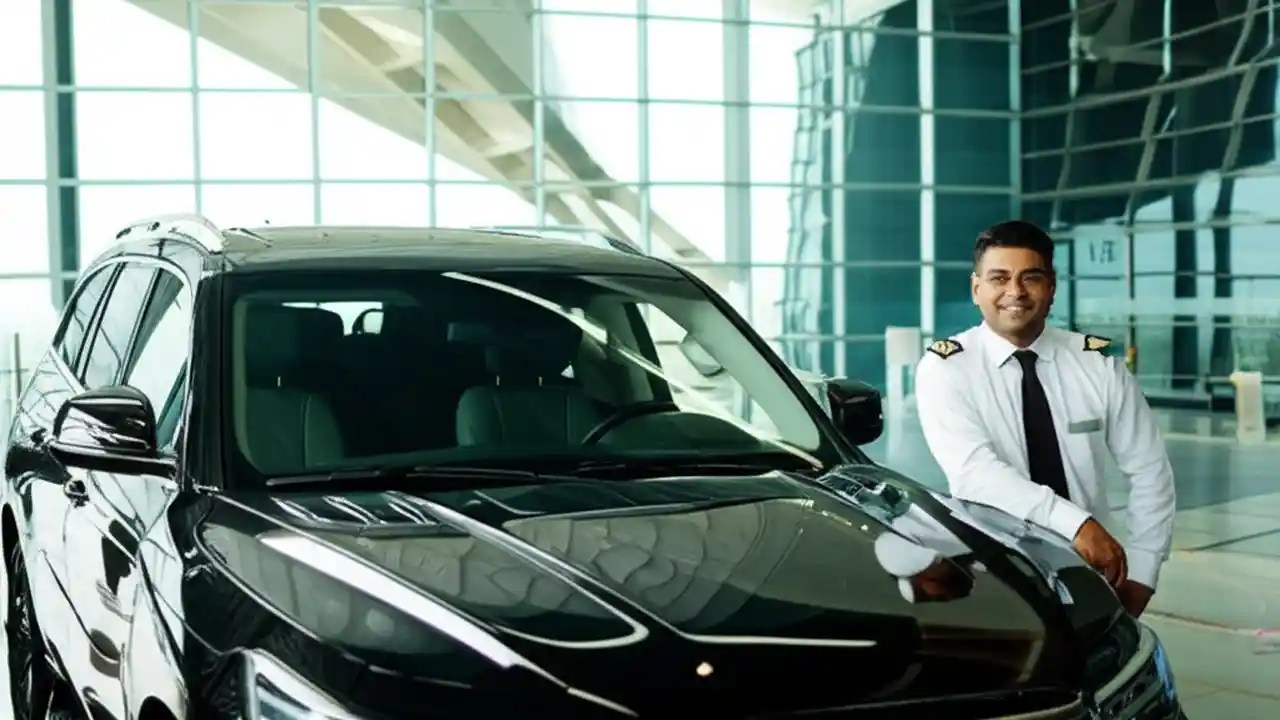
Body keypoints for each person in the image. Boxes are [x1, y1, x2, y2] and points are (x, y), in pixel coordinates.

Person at [913, 219, 1176, 618]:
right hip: (994, 573)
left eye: (1030, 278)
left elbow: (1149, 470)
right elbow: (975, 474)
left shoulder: (1097, 363)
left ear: (1051, 287)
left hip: (1091, 572)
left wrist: (1143, 572)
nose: (1014, 292)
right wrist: (1077, 525)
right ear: (976, 289)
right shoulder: (946, 367)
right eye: (999, 278)